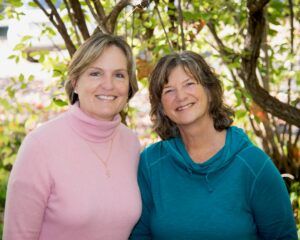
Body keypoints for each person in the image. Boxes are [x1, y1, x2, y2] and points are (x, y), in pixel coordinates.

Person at [130, 51, 297, 239]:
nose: (181, 96)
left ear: (209, 92)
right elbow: (139, 235)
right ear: (161, 106)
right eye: (169, 90)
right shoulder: (150, 165)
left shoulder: (254, 165)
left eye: (189, 84)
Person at [3, 33, 142, 240]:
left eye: (119, 75)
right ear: (75, 82)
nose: (108, 85)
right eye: (95, 73)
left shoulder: (131, 143)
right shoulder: (40, 146)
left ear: (129, 85)